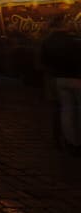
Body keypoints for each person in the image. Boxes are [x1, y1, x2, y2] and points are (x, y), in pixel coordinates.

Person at [42, 27, 81, 155]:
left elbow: (44, 62)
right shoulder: (74, 41)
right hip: (76, 77)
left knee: (67, 111)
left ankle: (72, 142)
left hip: (59, 78)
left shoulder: (48, 42)